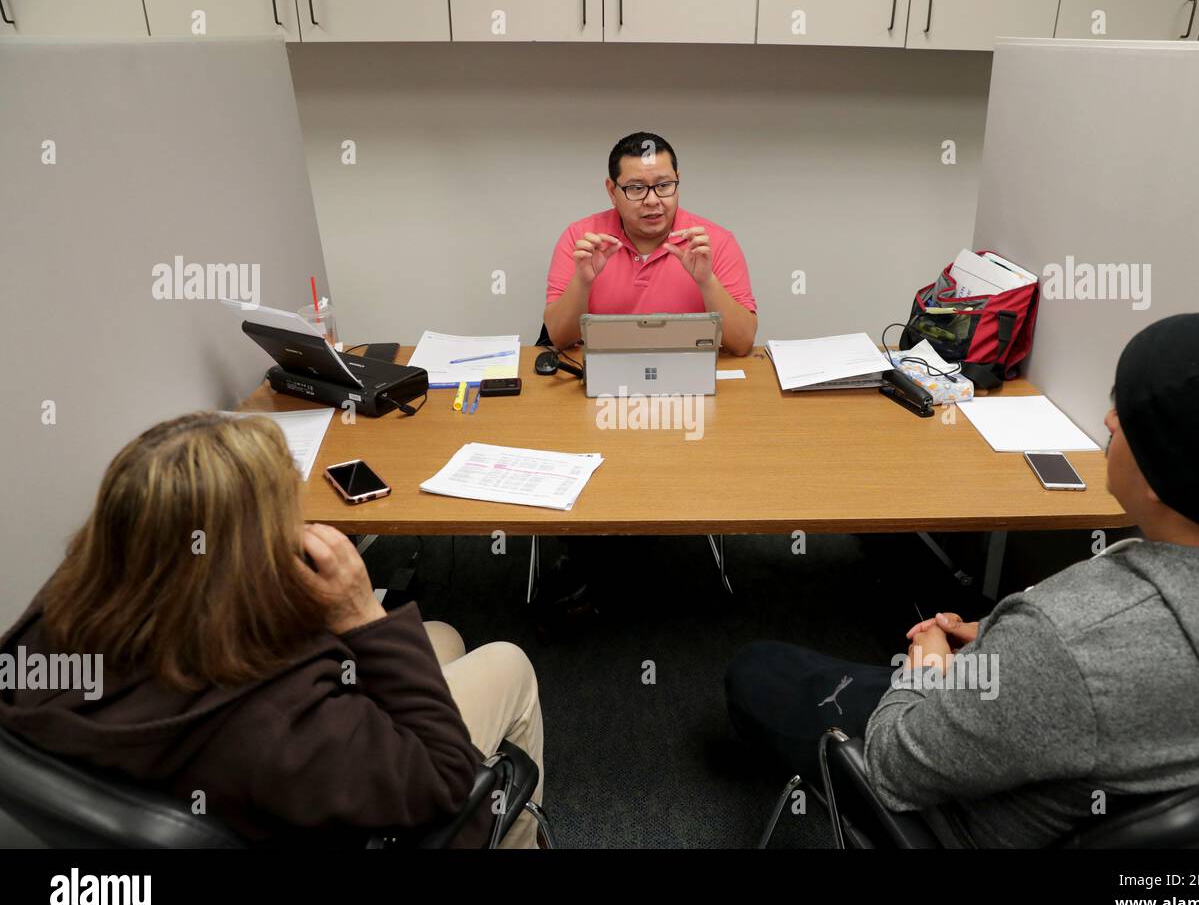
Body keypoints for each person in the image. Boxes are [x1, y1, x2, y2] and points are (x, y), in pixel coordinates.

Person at [725, 310, 1199, 847]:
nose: (1107, 421)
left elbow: (895, 766)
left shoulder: (1067, 643)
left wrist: (928, 667)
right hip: (1074, 751)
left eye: (1125, 412)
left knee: (756, 667)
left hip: (952, 813)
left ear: (1161, 474)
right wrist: (1008, 639)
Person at [0, 412, 544, 848]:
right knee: (508, 664)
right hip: (334, 797)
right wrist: (358, 614)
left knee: (442, 636)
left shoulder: (50, 623)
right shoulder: (278, 723)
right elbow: (444, 777)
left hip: (199, 785)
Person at [543, 130, 758, 356]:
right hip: (605, 375)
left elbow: (742, 343)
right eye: (636, 188)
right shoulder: (582, 239)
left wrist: (707, 281)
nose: (653, 201)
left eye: (664, 185)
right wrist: (582, 282)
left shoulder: (713, 242)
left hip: (688, 375)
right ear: (612, 191)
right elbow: (559, 338)